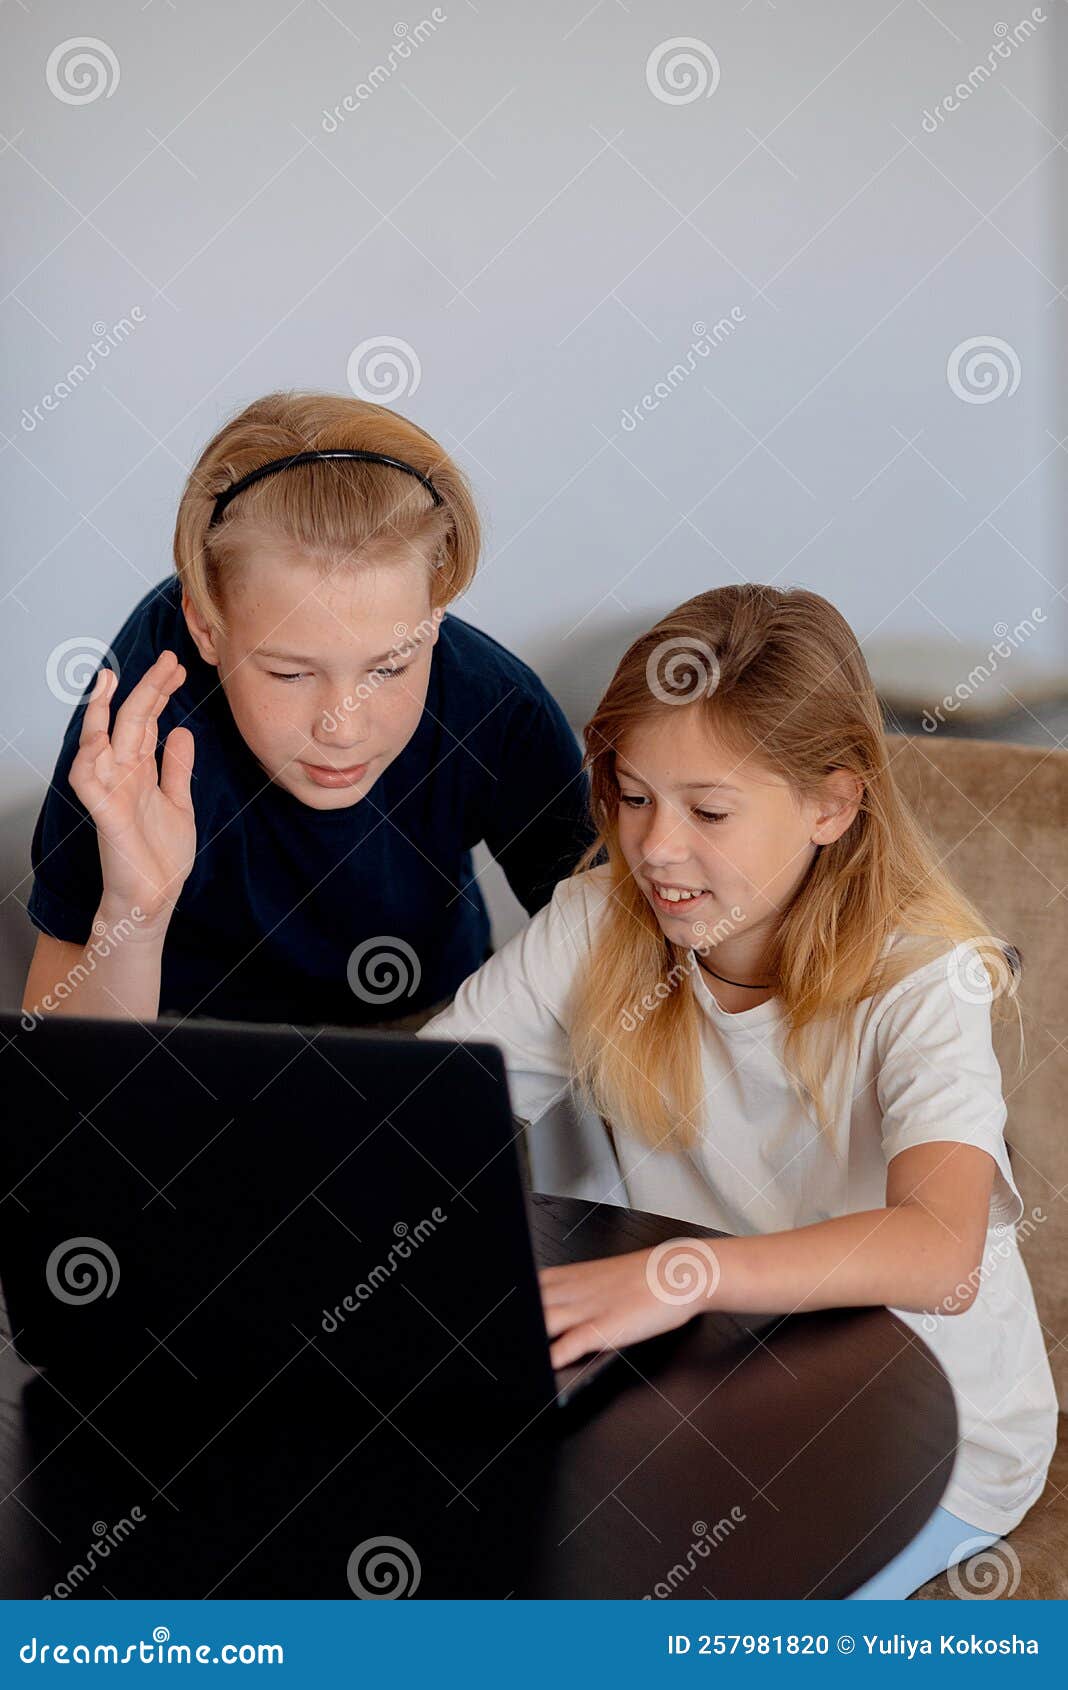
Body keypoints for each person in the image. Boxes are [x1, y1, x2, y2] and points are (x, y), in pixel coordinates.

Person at [417, 581, 1058, 1599]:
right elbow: (420, 1115)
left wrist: (678, 1273)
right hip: (715, 1378)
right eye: (633, 796)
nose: (657, 848)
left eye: (709, 809)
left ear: (831, 805)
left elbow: (940, 1255)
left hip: (931, 1422)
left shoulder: (925, 978)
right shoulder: (596, 924)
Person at [23, 391, 594, 1028]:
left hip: (437, 1020)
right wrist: (135, 911)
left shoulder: (497, 705)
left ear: (436, 616)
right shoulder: (135, 733)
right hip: (183, 1032)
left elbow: (620, 958)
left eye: (390, 667)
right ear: (206, 627)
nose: (343, 729)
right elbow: (68, 1076)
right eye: (291, 673)